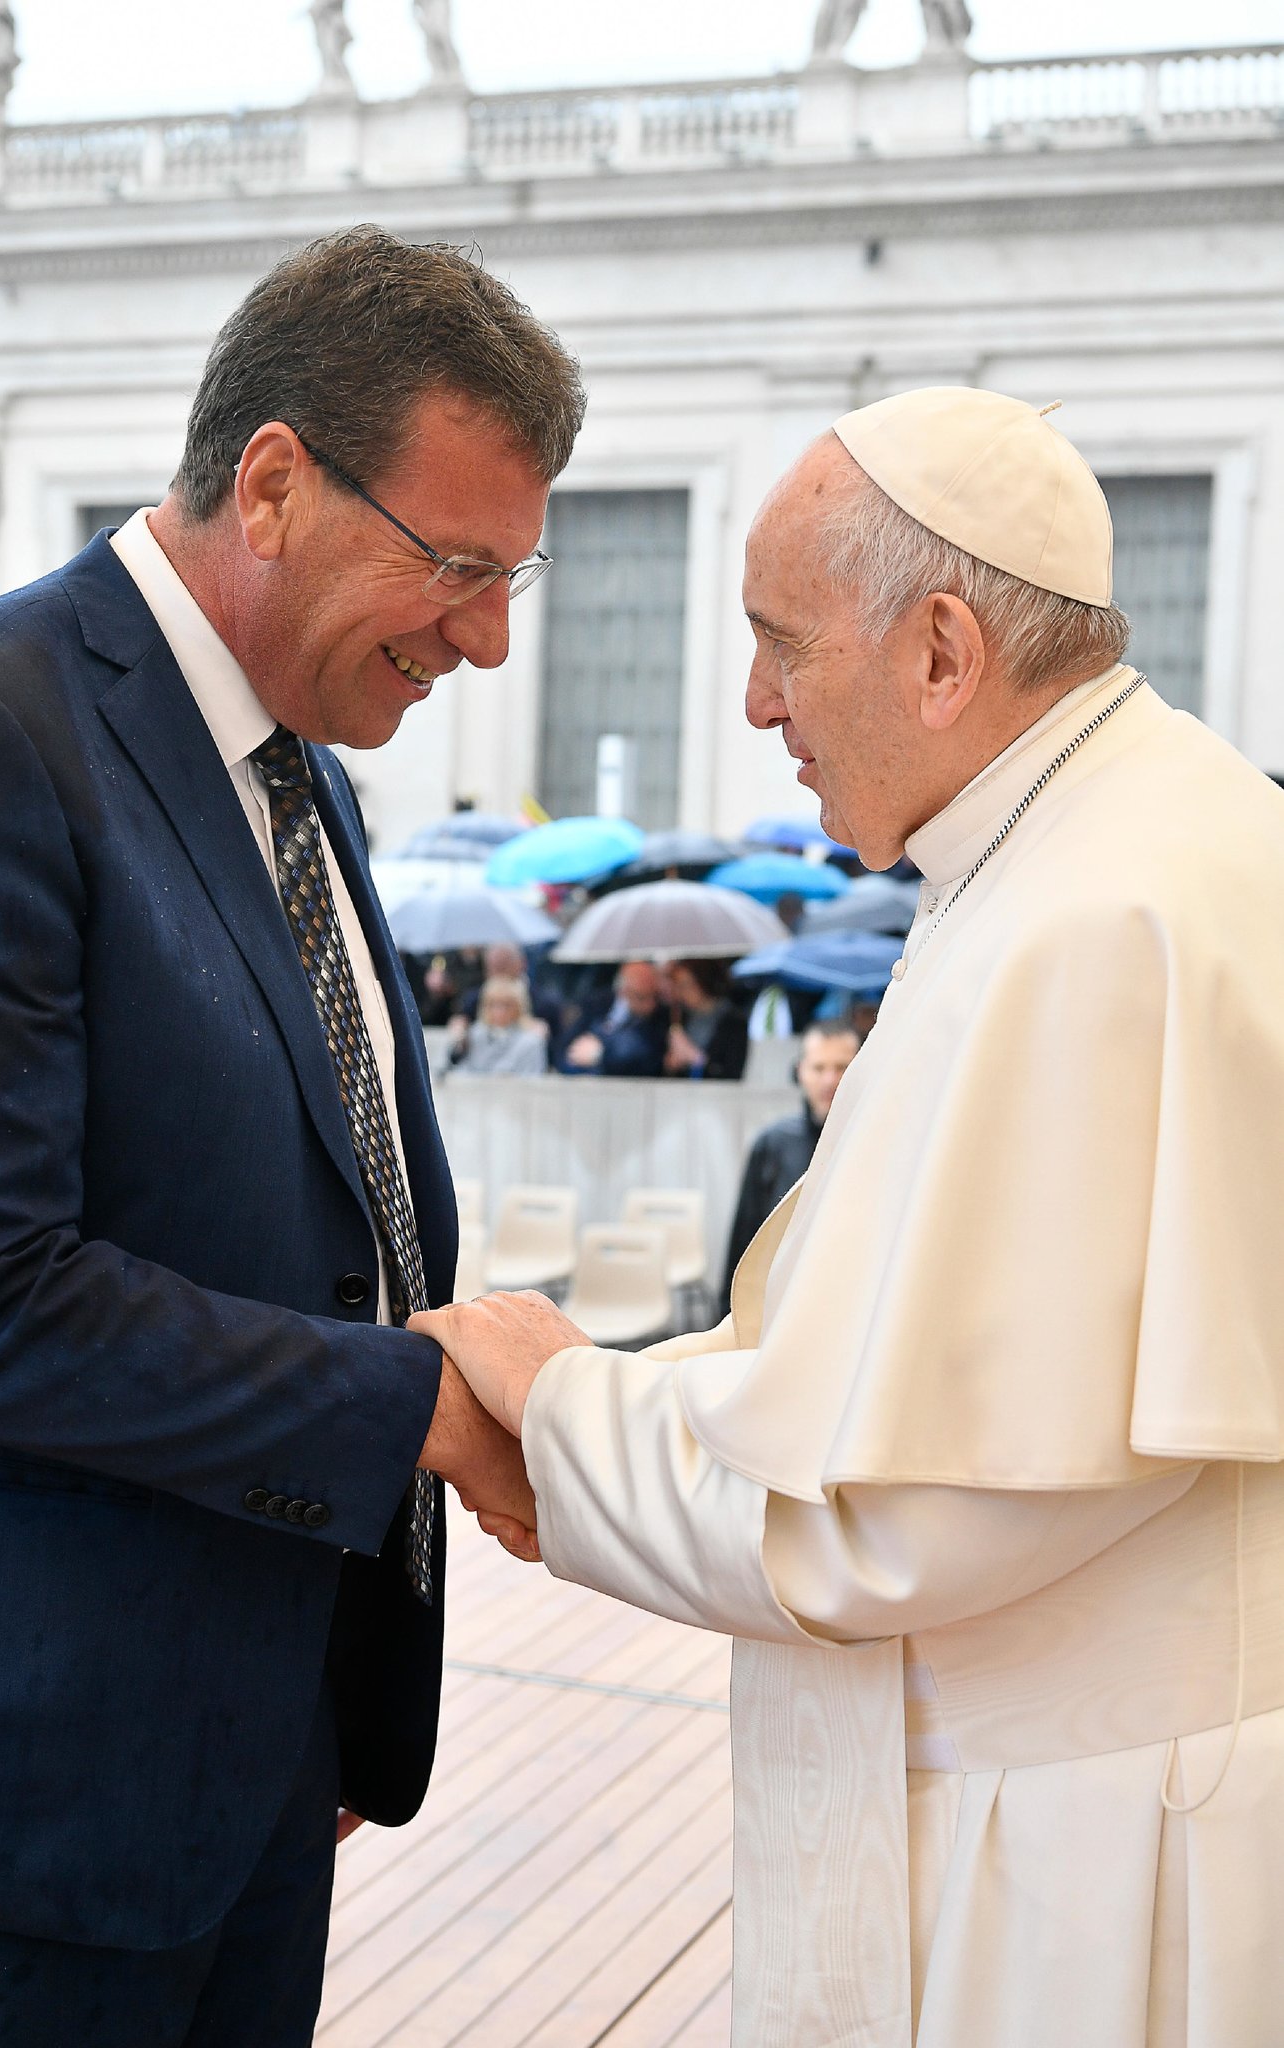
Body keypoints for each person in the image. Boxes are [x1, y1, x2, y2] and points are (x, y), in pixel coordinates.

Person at [413, 387, 1284, 2046]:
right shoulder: (1130, 838)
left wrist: (553, 1398)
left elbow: (909, 1504)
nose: (754, 702)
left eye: (781, 642)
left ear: (942, 650)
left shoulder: (1096, 919)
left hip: (1080, 1861)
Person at [0, 224, 583, 2044]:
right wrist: (415, 1403)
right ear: (274, 482)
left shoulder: (305, 777)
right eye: (456, 564)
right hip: (23, 1836)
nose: (488, 636)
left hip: (268, 1772)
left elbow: (320, 1214)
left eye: (513, 576)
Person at [720, 1021, 859, 1302]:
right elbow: (745, 1239)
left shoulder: (878, 1141)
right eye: (819, 1068)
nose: (830, 1080)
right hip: (782, 1301)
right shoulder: (773, 1144)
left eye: (842, 1067)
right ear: (800, 1072)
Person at [563, 960, 669, 1077]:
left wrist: (601, 1054)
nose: (650, 1004)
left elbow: (646, 1057)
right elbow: (566, 1047)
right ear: (623, 991)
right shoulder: (597, 1003)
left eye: (654, 995)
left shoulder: (661, 1015)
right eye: (641, 997)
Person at [664, 957, 748, 1080]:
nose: (681, 992)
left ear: (703, 981)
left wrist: (696, 1058)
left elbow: (732, 1074)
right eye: (678, 986)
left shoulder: (734, 1022)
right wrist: (672, 1064)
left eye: (686, 985)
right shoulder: (681, 1018)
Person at [448, 976, 548, 1076]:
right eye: (493, 1004)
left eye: (506, 1005)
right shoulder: (473, 1035)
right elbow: (460, 1071)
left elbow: (533, 1078)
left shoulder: (531, 1042)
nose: (499, 1011)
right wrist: (459, 1044)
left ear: (519, 1007)